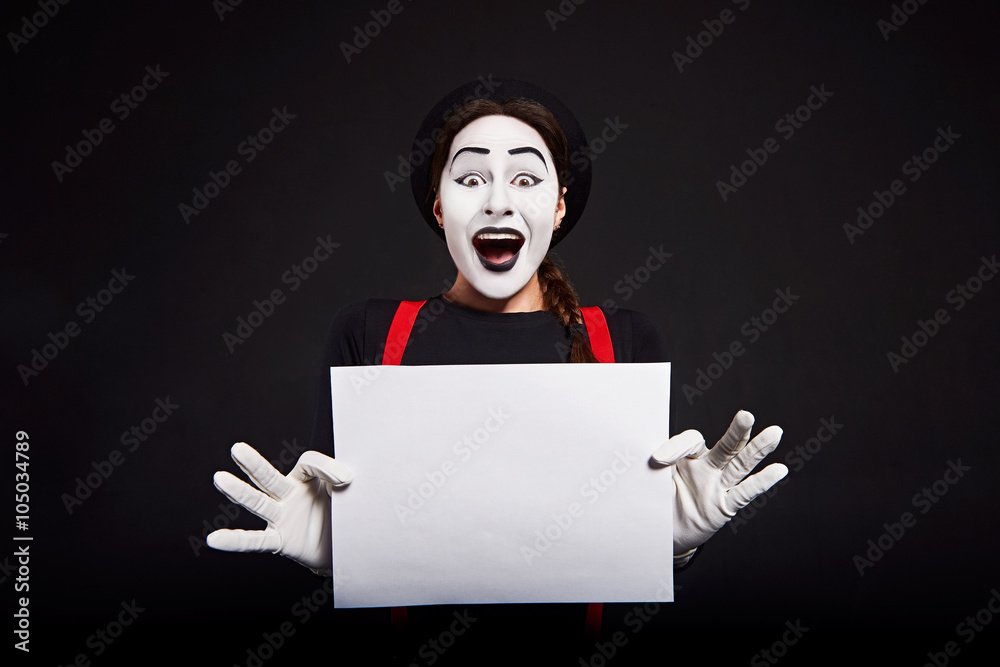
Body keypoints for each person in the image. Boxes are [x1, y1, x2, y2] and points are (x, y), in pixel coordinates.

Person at [207, 79, 788, 646]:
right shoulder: (367, 333)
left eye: (526, 179)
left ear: (558, 207)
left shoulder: (625, 340)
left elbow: (637, 558)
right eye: (471, 178)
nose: (498, 201)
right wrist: (331, 553)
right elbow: (342, 529)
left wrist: (675, 544)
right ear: (440, 206)